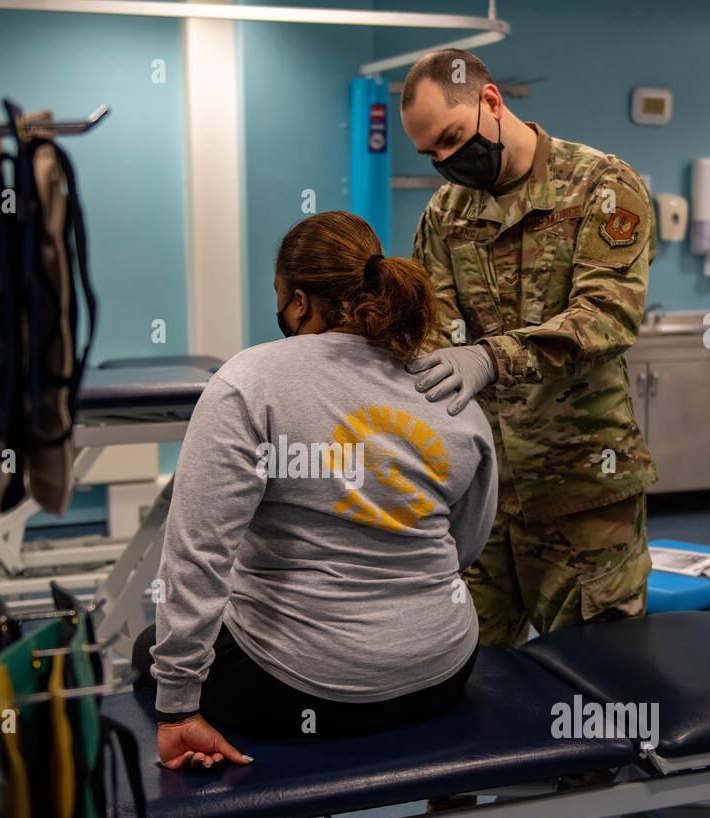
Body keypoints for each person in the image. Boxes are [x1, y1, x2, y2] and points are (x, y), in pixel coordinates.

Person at [134, 211, 498, 771]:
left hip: (297, 690)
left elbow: (196, 555)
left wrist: (179, 708)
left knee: (147, 656)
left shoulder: (249, 381)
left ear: (298, 302)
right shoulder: (449, 390)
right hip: (442, 671)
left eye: (281, 297)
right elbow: (466, 544)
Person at [400, 49, 658, 647]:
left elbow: (605, 318)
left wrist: (491, 358)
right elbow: (430, 328)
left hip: (581, 495)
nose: (446, 160)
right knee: (467, 667)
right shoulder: (447, 213)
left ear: (491, 102)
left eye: (452, 138)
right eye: (430, 152)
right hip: (483, 496)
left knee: (603, 681)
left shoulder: (601, 185)